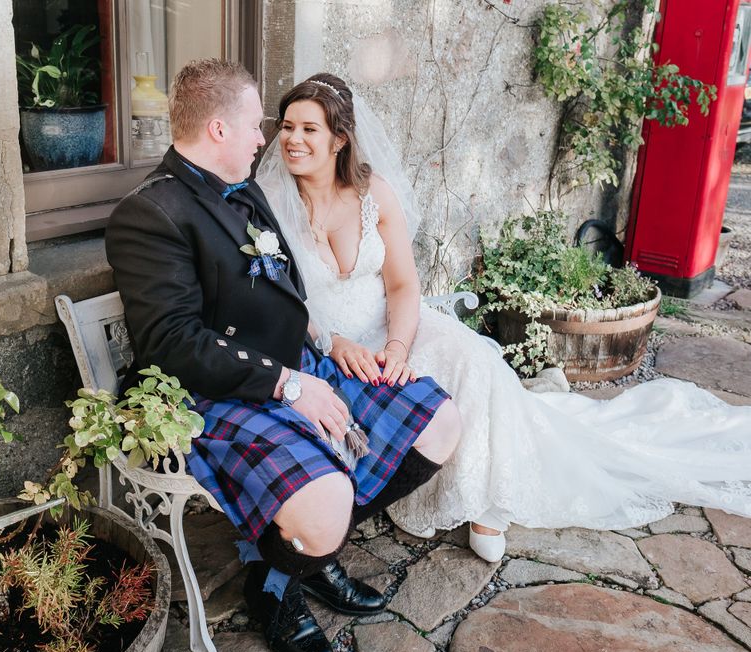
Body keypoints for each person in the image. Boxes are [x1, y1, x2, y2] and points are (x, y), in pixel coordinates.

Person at [257, 72, 751, 564]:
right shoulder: (269, 205)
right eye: (287, 127)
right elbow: (276, 299)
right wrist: (332, 341)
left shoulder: (374, 194)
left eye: (309, 129)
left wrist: (398, 348)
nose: (293, 139)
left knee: (475, 361)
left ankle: (488, 500)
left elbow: (404, 286)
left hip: (394, 325)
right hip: (325, 341)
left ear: (340, 139)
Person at [105, 60, 462, 652]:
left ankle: (304, 559)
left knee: (438, 423)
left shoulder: (243, 189)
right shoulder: (152, 213)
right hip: (209, 392)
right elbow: (171, 343)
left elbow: (285, 290)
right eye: (254, 125)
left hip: (291, 364)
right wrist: (289, 385)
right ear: (219, 129)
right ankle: (276, 588)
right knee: (325, 502)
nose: (262, 139)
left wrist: (326, 347)